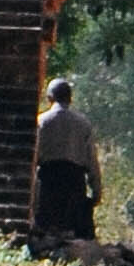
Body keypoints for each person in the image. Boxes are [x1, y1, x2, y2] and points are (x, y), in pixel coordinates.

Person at [31, 76, 101, 248]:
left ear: (49, 98)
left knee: (47, 229)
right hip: (74, 182)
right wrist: (96, 190)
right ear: (70, 98)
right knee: (76, 231)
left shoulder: (41, 122)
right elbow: (91, 160)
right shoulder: (83, 124)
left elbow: (33, 158)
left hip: (49, 181)